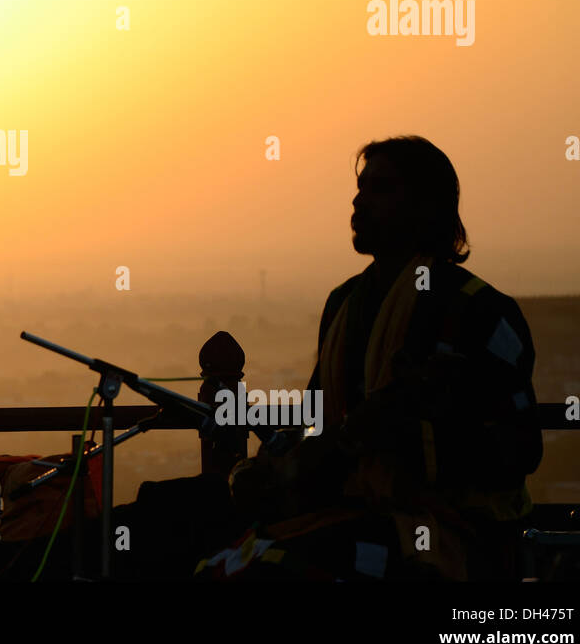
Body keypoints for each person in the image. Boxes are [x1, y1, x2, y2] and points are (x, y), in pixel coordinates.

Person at [220, 136, 542, 580]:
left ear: (427, 207)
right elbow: (320, 419)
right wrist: (273, 466)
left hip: (450, 538)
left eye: (381, 188)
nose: (359, 201)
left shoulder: (480, 311)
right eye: (360, 186)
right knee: (173, 519)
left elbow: (521, 449)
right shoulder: (345, 303)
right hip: (349, 514)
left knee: (274, 568)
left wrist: (406, 435)